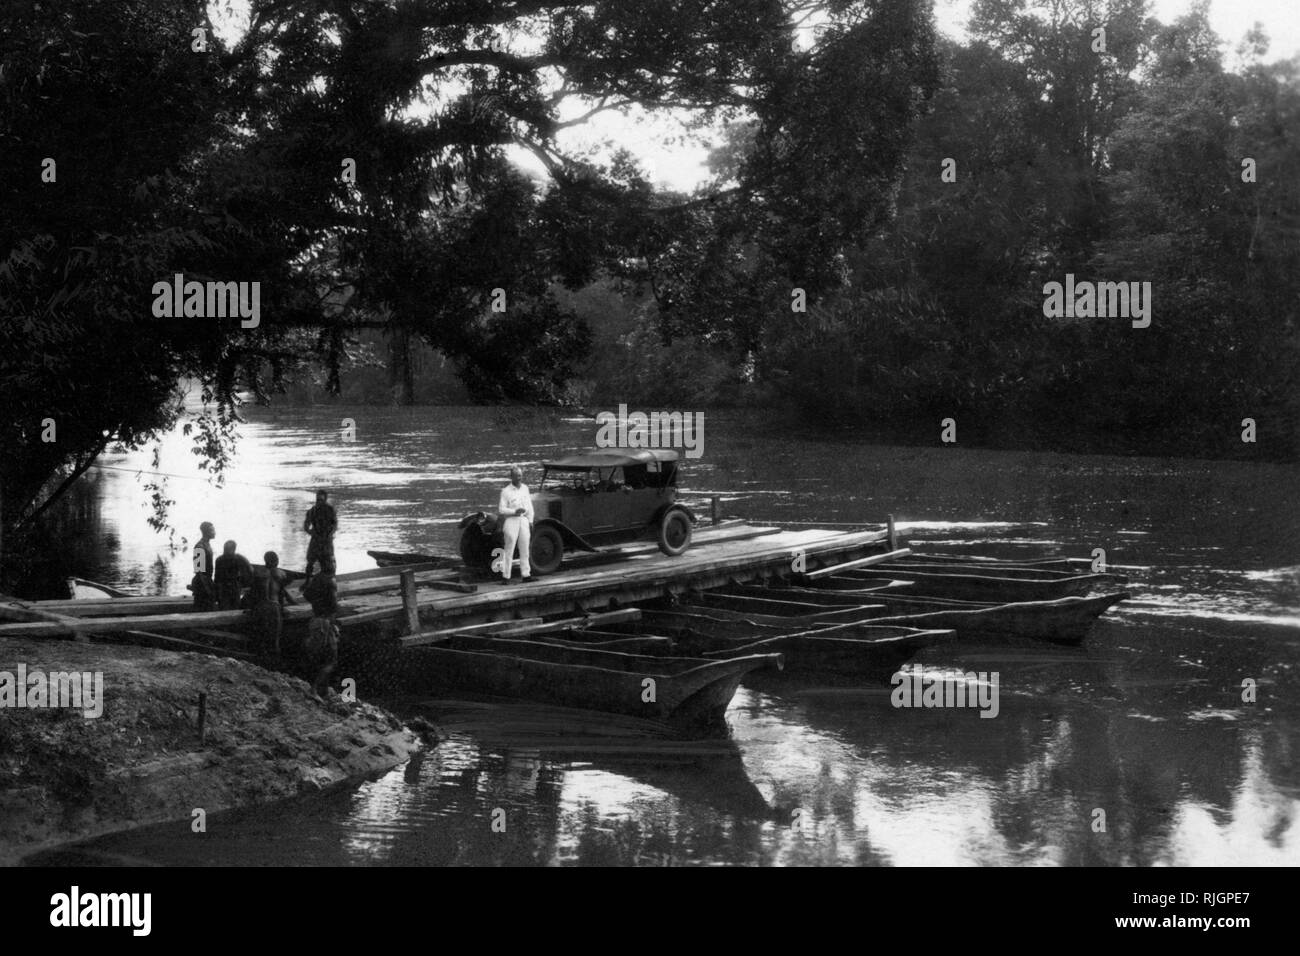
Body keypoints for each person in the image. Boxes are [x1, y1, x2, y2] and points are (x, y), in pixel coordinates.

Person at [250, 550, 295, 660]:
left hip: (261, 606)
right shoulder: (281, 574)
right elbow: (281, 593)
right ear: (276, 561)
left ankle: (261, 662)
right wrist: (286, 607)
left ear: (265, 561)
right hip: (274, 607)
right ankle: (275, 664)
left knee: (261, 638)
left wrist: (251, 609)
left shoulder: (257, 573)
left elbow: (253, 593)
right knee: (275, 639)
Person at [302, 572, 340, 697]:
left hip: (317, 621)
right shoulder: (330, 590)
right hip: (324, 624)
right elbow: (333, 609)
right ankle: (314, 689)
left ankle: (322, 690)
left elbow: (306, 593)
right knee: (331, 660)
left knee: (320, 656)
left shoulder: (316, 598)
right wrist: (334, 627)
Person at [497, 466, 533, 584]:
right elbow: (501, 509)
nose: (519, 478)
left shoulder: (525, 489)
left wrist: (531, 520)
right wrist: (514, 511)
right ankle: (506, 576)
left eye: (520, 475)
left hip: (523, 520)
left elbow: (529, 506)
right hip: (511, 520)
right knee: (509, 549)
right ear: (511, 477)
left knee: (524, 548)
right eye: (517, 475)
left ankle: (526, 575)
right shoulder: (506, 491)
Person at [302, 490, 337, 586]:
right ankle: (307, 581)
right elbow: (306, 526)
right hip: (316, 539)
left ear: (325, 499)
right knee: (310, 562)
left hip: (327, 539)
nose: (319, 502)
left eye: (321, 500)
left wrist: (330, 535)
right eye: (317, 500)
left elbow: (335, 525)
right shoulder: (312, 511)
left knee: (330, 561)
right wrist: (311, 533)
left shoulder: (330, 510)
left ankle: (331, 580)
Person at [213, 540, 253, 611]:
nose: (225, 551)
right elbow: (250, 570)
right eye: (225, 549)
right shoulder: (239, 558)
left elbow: (217, 578)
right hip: (228, 588)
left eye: (227, 549)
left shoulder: (220, 559)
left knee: (231, 608)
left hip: (231, 587)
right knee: (230, 608)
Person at [191, 521, 217, 611]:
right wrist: (207, 589)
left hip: (207, 581)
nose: (214, 532)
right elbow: (198, 570)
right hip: (202, 584)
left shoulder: (207, 544)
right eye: (212, 530)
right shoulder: (200, 547)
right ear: (206, 532)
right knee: (202, 608)